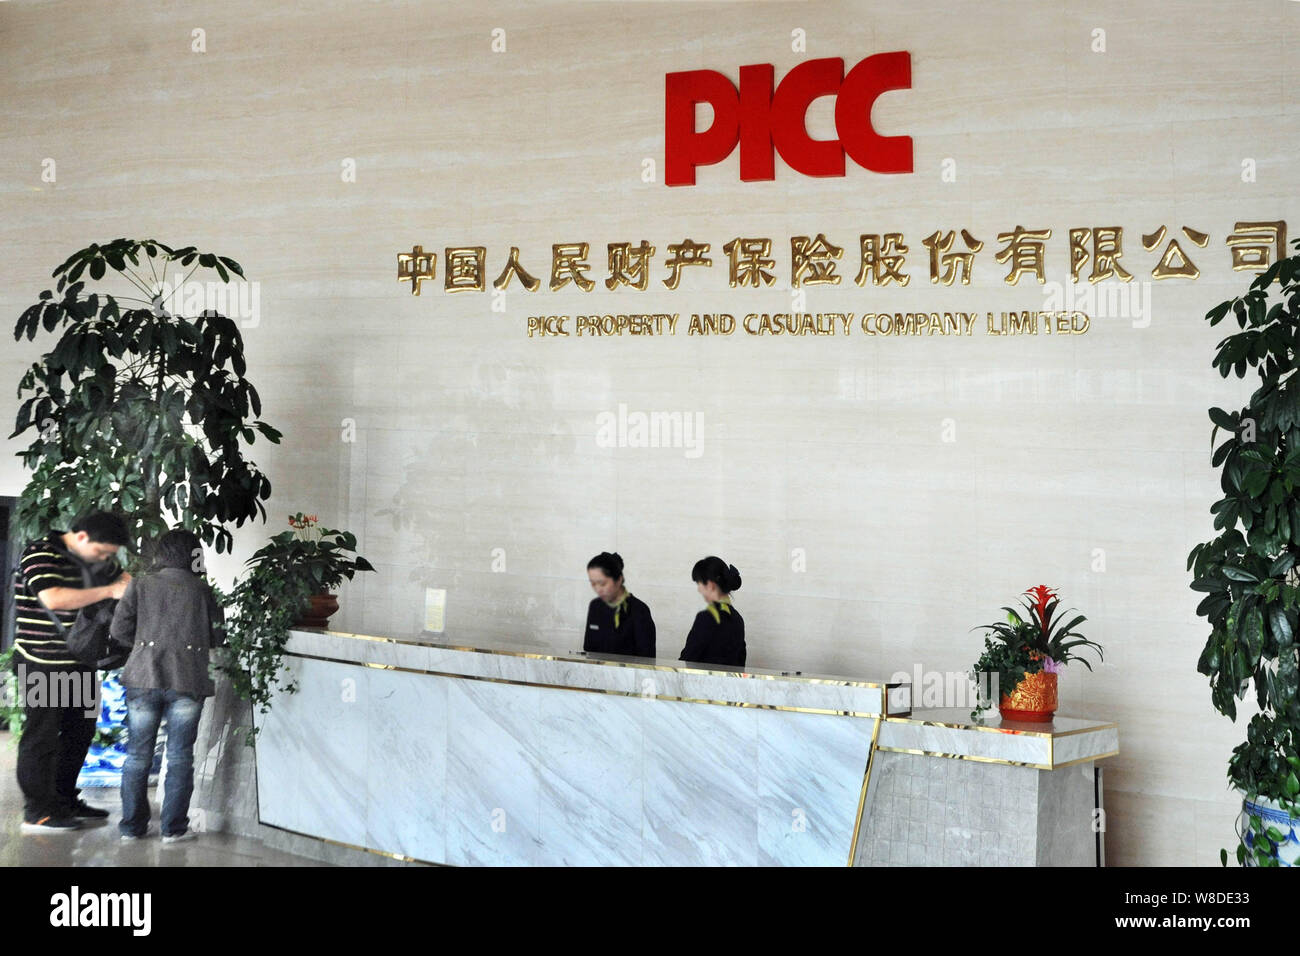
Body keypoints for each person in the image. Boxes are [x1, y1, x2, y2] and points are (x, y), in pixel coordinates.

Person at [12, 512, 131, 831]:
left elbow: (127, 585)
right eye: (103, 551)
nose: (107, 559)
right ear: (81, 537)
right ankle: (38, 809)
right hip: (42, 662)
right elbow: (54, 598)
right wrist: (108, 591)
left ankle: (63, 799)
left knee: (79, 735)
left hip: (81, 662)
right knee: (43, 737)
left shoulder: (100, 563)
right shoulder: (39, 554)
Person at [110, 529, 224, 843]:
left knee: (137, 755)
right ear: (193, 556)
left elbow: (118, 631)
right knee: (179, 756)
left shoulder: (141, 584)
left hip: (143, 677)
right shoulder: (203, 591)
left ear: (161, 553)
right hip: (188, 679)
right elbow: (219, 636)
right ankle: (173, 829)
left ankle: (132, 827)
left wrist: (147, 644)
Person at [583, 551, 656, 658]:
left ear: (618, 580)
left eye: (602, 583)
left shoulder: (639, 610)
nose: (598, 589)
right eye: (593, 583)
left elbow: (646, 658)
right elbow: (589, 648)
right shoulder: (595, 606)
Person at [679, 556, 745, 667]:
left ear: (710, 585)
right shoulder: (737, 618)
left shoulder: (707, 617)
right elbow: (740, 661)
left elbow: (688, 658)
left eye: (699, 583)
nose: (699, 589)